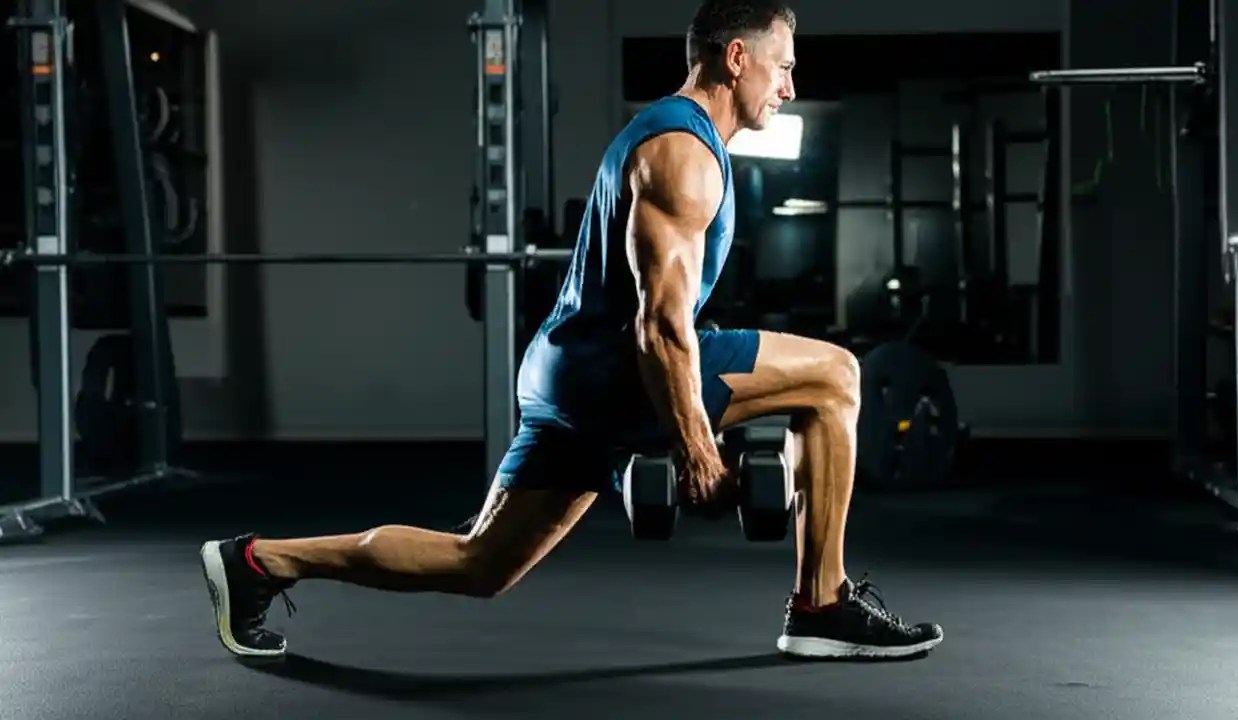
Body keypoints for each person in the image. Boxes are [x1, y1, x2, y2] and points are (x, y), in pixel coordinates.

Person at [199, 0, 943, 661]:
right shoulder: (684, 156)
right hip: (616, 371)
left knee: (480, 562)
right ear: (735, 56)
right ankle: (821, 605)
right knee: (838, 375)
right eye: (781, 66)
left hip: (565, 372)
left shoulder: (668, 139)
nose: (788, 86)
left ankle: (260, 562)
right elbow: (660, 328)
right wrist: (697, 452)